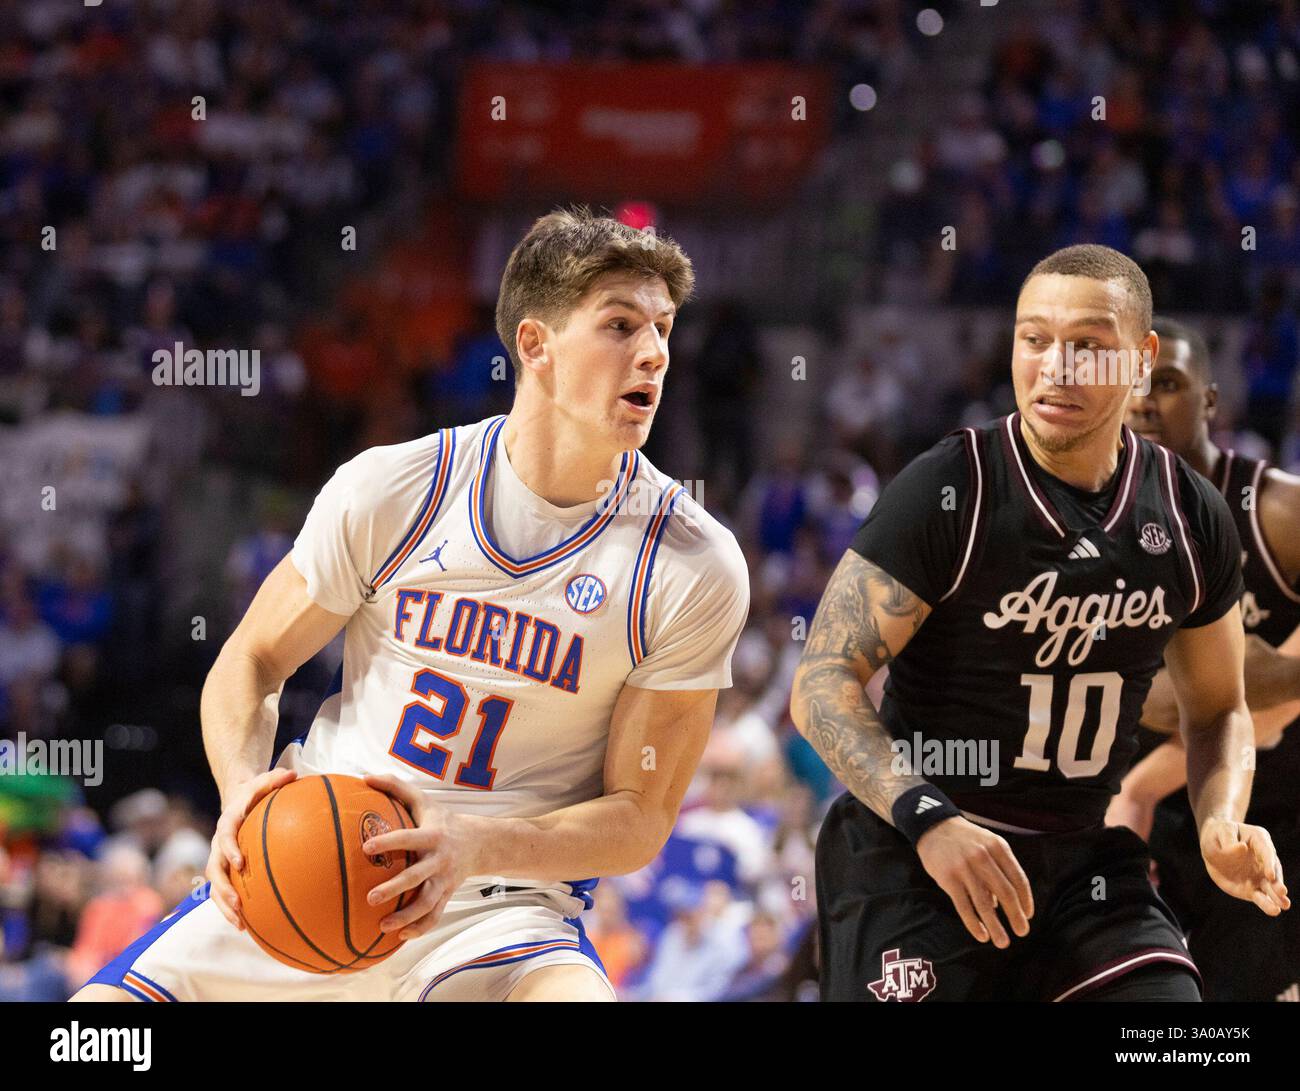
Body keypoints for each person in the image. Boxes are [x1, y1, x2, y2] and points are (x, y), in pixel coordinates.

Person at [74, 209, 750, 1002]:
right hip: (314, 860)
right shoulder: (396, 488)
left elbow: (639, 816)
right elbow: (252, 661)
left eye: (664, 328)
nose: (655, 353)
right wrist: (237, 793)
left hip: (500, 908)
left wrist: (473, 842)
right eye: (620, 324)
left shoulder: (692, 563)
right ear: (535, 345)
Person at [792, 244, 1290, 1002]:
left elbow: (1220, 708)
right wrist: (930, 817)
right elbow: (822, 682)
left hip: (1081, 863)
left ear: (1140, 357)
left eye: (1088, 345)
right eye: (1034, 338)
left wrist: (1221, 817)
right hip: (917, 846)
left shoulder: (1191, 514)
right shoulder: (950, 487)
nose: (1055, 366)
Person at [1108, 316, 1300, 1000]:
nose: (1143, 399)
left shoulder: (1277, 510)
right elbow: (1143, 701)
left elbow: (1188, 702)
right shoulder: (1101, 524)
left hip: (1279, 810)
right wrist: (1239, 673)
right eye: (1130, 383)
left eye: (1167, 382)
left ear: (1211, 401)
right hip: (1162, 812)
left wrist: (1221, 688)